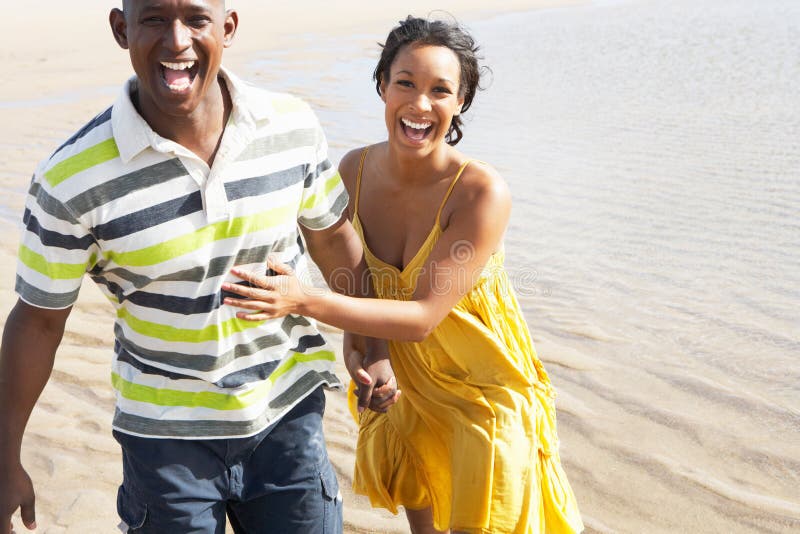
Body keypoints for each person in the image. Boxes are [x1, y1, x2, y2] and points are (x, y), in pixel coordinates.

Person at [0, 1, 396, 533]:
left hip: (288, 418)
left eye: (196, 19)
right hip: (164, 444)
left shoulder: (291, 126)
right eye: (156, 20)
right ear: (123, 30)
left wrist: (373, 348)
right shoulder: (70, 178)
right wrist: (5, 456)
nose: (178, 40)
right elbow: (38, 320)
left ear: (228, 28)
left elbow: (333, 240)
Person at [222, 15, 585, 534]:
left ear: (461, 102)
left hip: (481, 393)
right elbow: (353, 277)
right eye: (406, 84)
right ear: (381, 87)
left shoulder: (481, 193)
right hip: (403, 386)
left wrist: (301, 301)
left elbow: (421, 316)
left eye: (441, 91)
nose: (420, 105)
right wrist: (364, 352)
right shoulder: (353, 171)